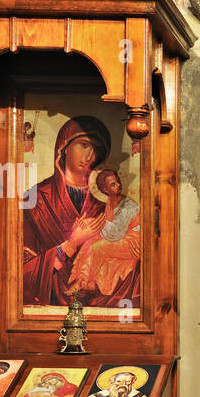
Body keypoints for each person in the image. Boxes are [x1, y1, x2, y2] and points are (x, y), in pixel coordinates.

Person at [22, 117, 140, 309]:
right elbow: (19, 274)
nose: (90, 156)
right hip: (49, 304)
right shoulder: (35, 200)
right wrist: (72, 243)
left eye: (96, 150)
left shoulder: (108, 200)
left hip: (105, 300)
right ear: (65, 146)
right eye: (84, 145)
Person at [66, 168, 140, 299]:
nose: (118, 185)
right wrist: (86, 224)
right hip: (122, 237)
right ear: (105, 190)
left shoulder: (128, 205)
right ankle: (84, 281)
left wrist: (92, 223)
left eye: (117, 182)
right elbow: (108, 227)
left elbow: (115, 234)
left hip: (134, 241)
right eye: (113, 184)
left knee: (98, 247)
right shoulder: (111, 202)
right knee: (89, 242)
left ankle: (82, 281)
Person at [10, 371, 78, 397]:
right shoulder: (51, 391)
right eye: (45, 382)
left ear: (58, 378)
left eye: (48, 379)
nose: (47, 383)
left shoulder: (72, 388)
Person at [84, 370, 148, 397]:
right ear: (112, 381)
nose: (123, 384)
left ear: (132, 382)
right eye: (118, 381)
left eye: (127, 382)